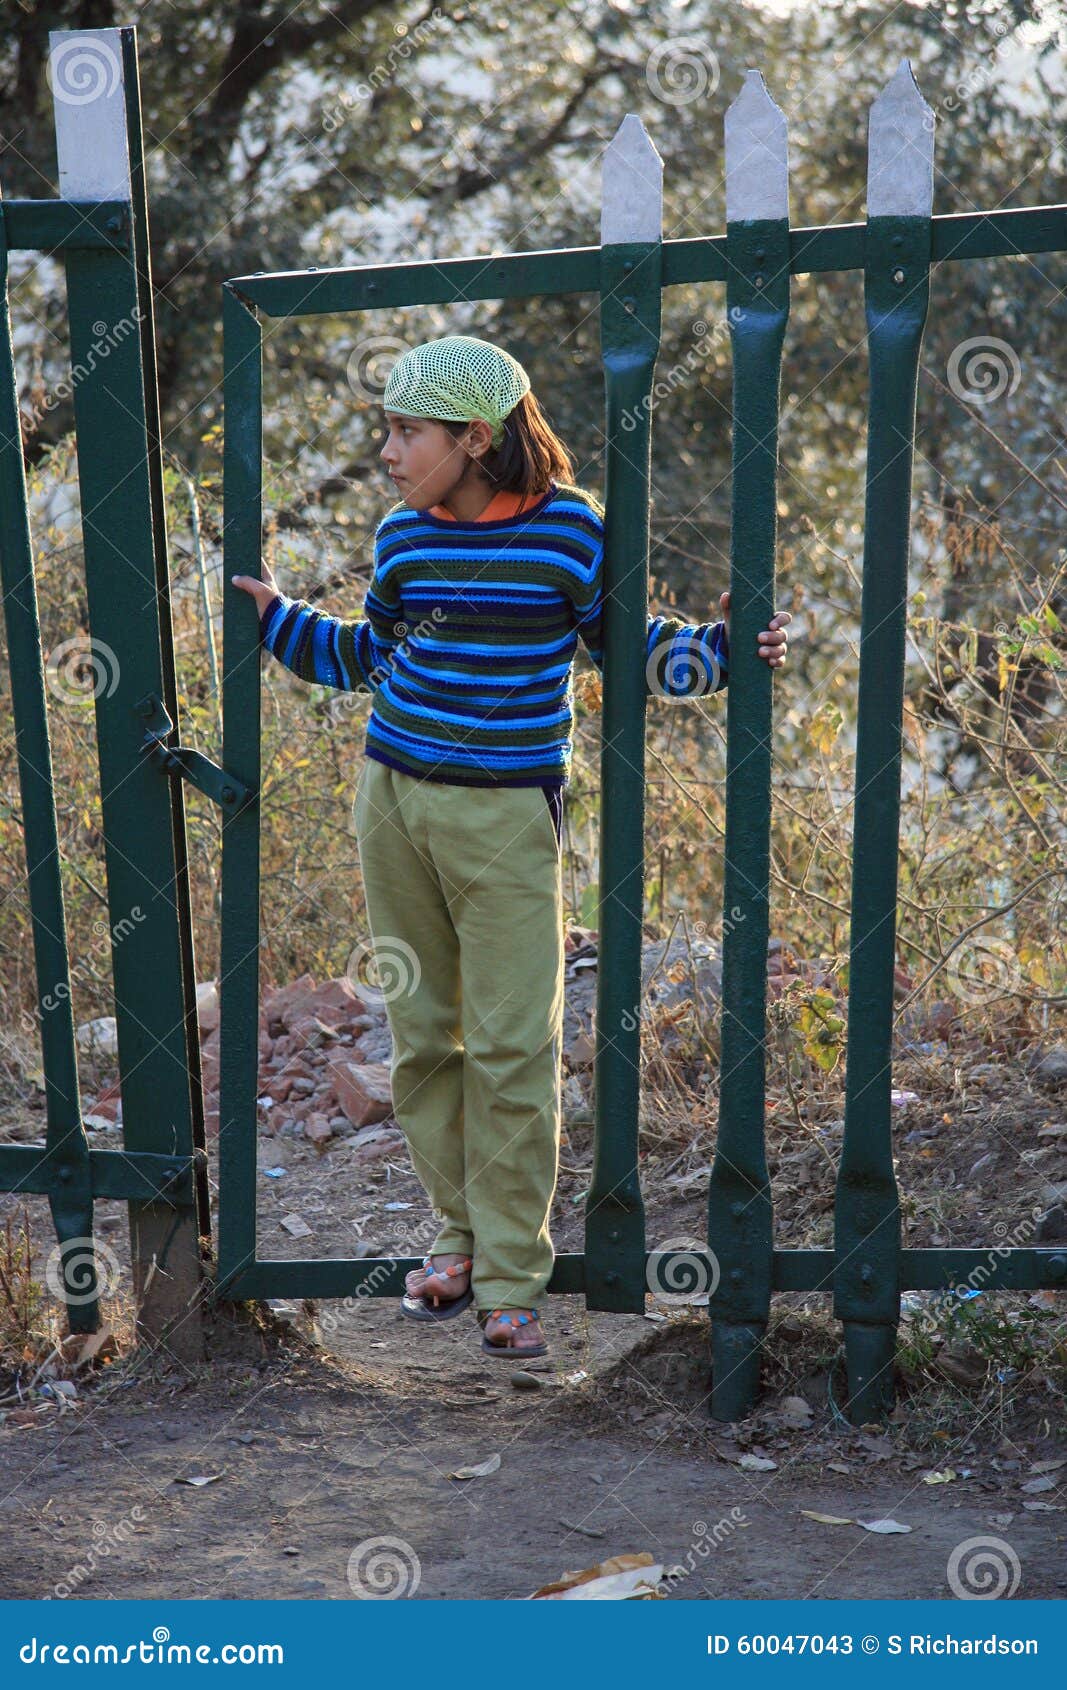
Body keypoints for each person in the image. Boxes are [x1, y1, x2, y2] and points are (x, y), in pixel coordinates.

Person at [232, 333, 791, 1359]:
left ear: (474, 437)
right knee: (425, 1036)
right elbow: (371, 654)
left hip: (504, 817)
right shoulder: (404, 537)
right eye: (385, 431)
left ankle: (511, 1275)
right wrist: (281, 623)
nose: (388, 453)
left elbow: (628, 648)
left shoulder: (570, 532)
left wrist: (723, 653)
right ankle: (454, 1239)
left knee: (509, 1045)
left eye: (407, 433)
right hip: (391, 800)